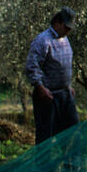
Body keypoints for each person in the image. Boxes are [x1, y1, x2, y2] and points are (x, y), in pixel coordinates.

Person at [24, 8, 79, 145]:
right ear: (57, 23)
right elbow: (32, 66)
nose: (68, 31)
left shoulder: (65, 40)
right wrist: (40, 87)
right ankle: (43, 166)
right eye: (66, 27)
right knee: (45, 137)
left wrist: (68, 85)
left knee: (71, 133)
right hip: (48, 96)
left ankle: (67, 165)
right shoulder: (43, 41)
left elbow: (64, 64)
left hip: (65, 94)